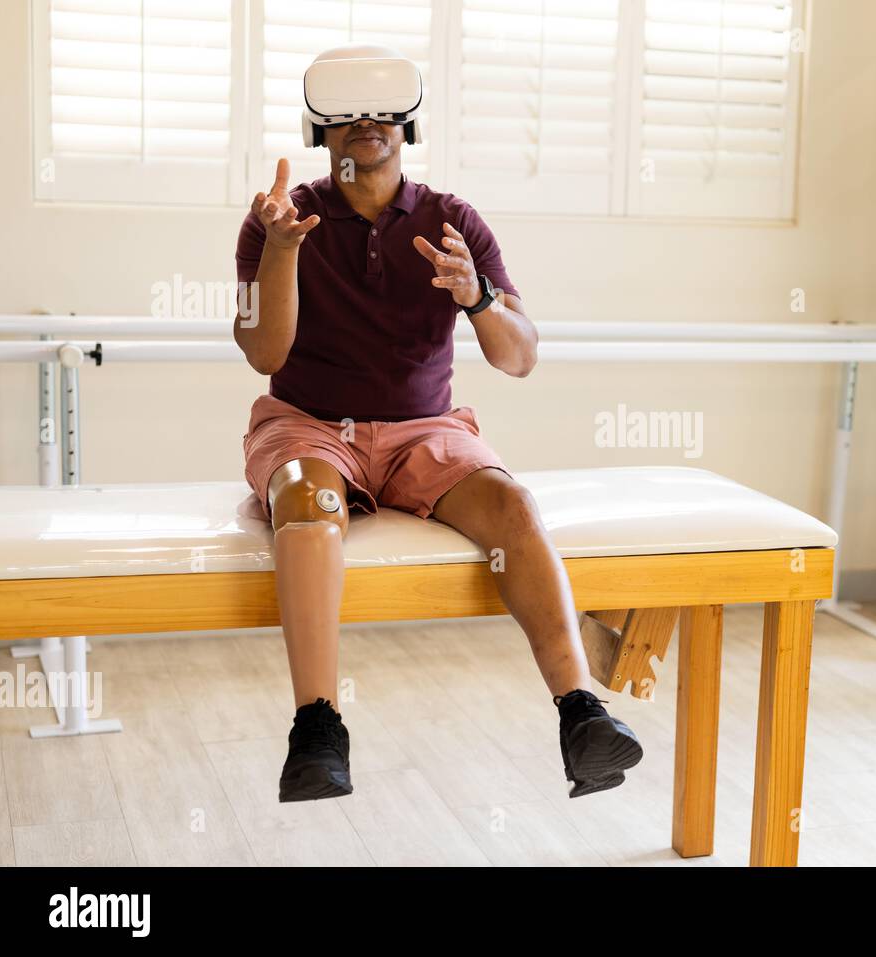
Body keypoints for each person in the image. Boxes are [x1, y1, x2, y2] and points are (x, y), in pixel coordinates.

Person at [233, 43, 641, 803]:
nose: (368, 123)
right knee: (308, 502)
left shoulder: (455, 221)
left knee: (515, 504)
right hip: (309, 425)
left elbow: (520, 357)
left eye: (385, 109)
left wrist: (478, 297)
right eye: (348, 112)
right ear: (319, 129)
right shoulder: (276, 223)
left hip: (427, 428)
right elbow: (265, 352)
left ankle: (580, 712)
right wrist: (284, 250)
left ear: (408, 125)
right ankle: (317, 727)